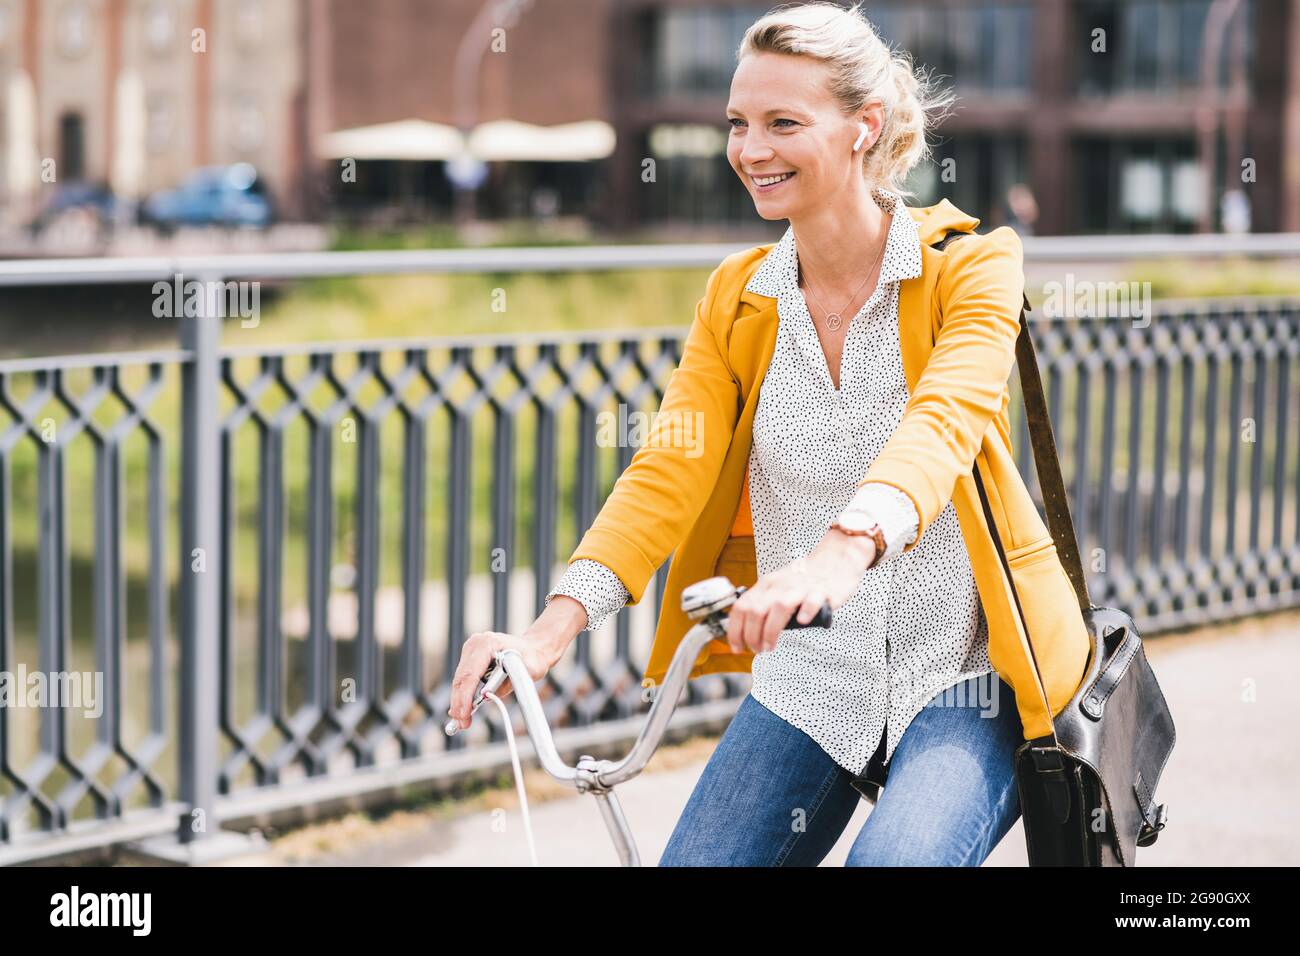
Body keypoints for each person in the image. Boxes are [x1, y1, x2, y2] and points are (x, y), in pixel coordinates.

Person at [448, 1, 1089, 866]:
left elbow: (942, 427)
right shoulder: (738, 295)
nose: (751, 150)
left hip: (966, 678)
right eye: (738, 124)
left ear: (865, 127)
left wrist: (839, 554)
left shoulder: (970, 269)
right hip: (811, 683)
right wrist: (549, 632)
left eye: (783, 122)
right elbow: (668, 467)